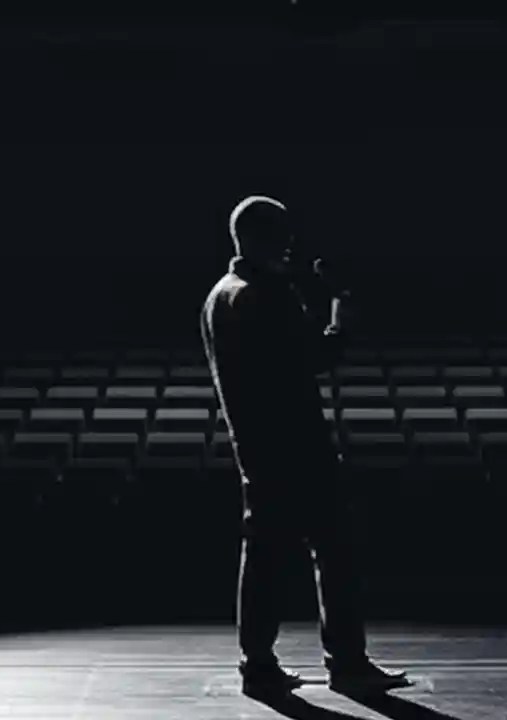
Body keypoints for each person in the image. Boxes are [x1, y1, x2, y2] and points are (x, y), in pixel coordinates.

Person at [200, 195, 409, 696]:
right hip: (297, 446)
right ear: (264, 237)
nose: (291, 246)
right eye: (283, 234)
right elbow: (316, 356)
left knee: (264, 557)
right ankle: (348, 663)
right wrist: (341, 307)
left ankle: (258, 664)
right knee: (336, 553)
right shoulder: (266, 293)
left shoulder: (217, 295)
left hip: (256, 446)